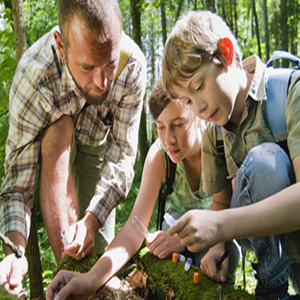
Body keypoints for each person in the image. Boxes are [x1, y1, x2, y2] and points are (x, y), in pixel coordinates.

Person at [0, 0, 147, 296]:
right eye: (88, 66)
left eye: (110, 63)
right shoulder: (34, 76)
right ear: (61, 45)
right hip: (54, 149)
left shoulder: (132, 66)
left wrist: (91, 221)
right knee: (59, 128)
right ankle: (64, 275)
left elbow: (121, 157)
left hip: (97, 147)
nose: (102, 81)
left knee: (100, 260)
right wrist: (15, 252)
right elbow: (18, 185)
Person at [45, 78, 239, 300]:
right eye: (161, 127)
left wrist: (182, 242)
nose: (169, 139)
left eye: (178, 124)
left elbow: (226, 209)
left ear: (197, 114)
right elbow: (134, 229)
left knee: (221, 260)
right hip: (174, 230)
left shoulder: (218, 144)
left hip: (218, 234)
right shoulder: (160, 156)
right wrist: (90, 279)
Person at [162, 9, 300, 300]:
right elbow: (221, 202)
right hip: (275, 262)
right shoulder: (215, 134)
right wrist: (216, 247)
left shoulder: (289, 92)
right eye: (188, 101)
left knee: (265, 161)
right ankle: (271, 287)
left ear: (225, 53)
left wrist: (219, 227)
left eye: (199, 87)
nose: (198, 108)